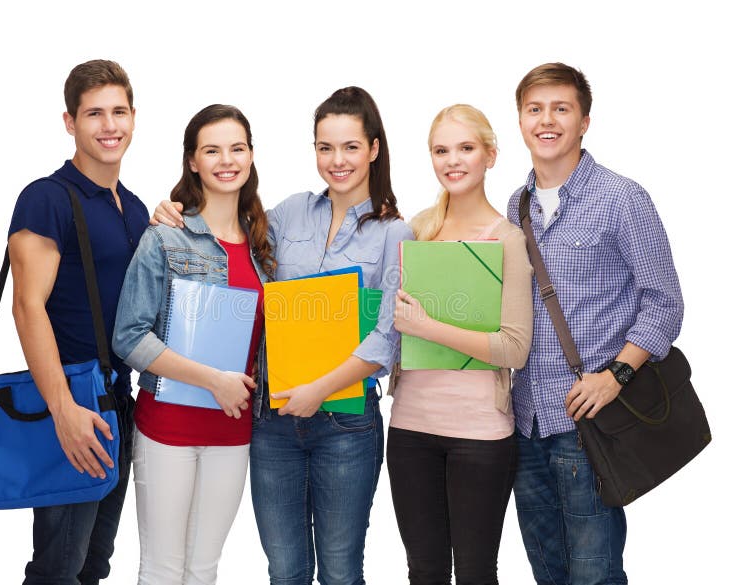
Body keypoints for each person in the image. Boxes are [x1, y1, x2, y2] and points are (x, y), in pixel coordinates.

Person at [154, 86, 414, 585]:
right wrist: (171, 213)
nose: (337, 160)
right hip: (273, 423)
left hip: (346, 423)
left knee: (340, 571)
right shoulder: (288, 213)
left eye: (350, 147)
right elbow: (225, 241)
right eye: (325, 147)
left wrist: (320, 390)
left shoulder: (394, 234)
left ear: (374, 149)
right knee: (285, 570)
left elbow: (388, 337)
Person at [506, 63, 684, 585]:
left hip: (591, 425)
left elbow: (664, 305)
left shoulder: (622, 198)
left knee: (595, 575)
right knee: (549, 574)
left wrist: (615, 376)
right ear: (520, 120)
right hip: (526, 422)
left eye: (561, 108)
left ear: (584, 121)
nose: (547, 121)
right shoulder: (514, 209)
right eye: (535, 109)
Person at [112, 104, 270, 585]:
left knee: (203, 570)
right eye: (212, 149)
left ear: (251, 155)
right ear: (193, 162)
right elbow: (129, 337)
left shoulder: (267, 246)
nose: (227, 159)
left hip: (234, 431)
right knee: (162, 570)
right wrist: (213, 381)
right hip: (168, 428)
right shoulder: (166, 236)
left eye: (237, 148)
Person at [7, 59, 149, 584]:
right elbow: (27, 307)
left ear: (134, 117)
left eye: (118, 112)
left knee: (92, 566)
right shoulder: (46, 199)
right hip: (72, 402)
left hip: (120, 406)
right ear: (70, 122)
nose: (109, 126)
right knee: (56, 570)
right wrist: (62, 408)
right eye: (94, 114)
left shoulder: (133, 209)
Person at [388, 104, 533, 585]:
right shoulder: (416, 231)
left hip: (480, 434)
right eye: (441, 150)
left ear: (490, 155)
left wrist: (426, 327)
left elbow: (514, 348)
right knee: (424, 571)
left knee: (474, 573)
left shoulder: (508, 240)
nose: (453, 160)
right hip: (410, 428)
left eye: (466, 148)